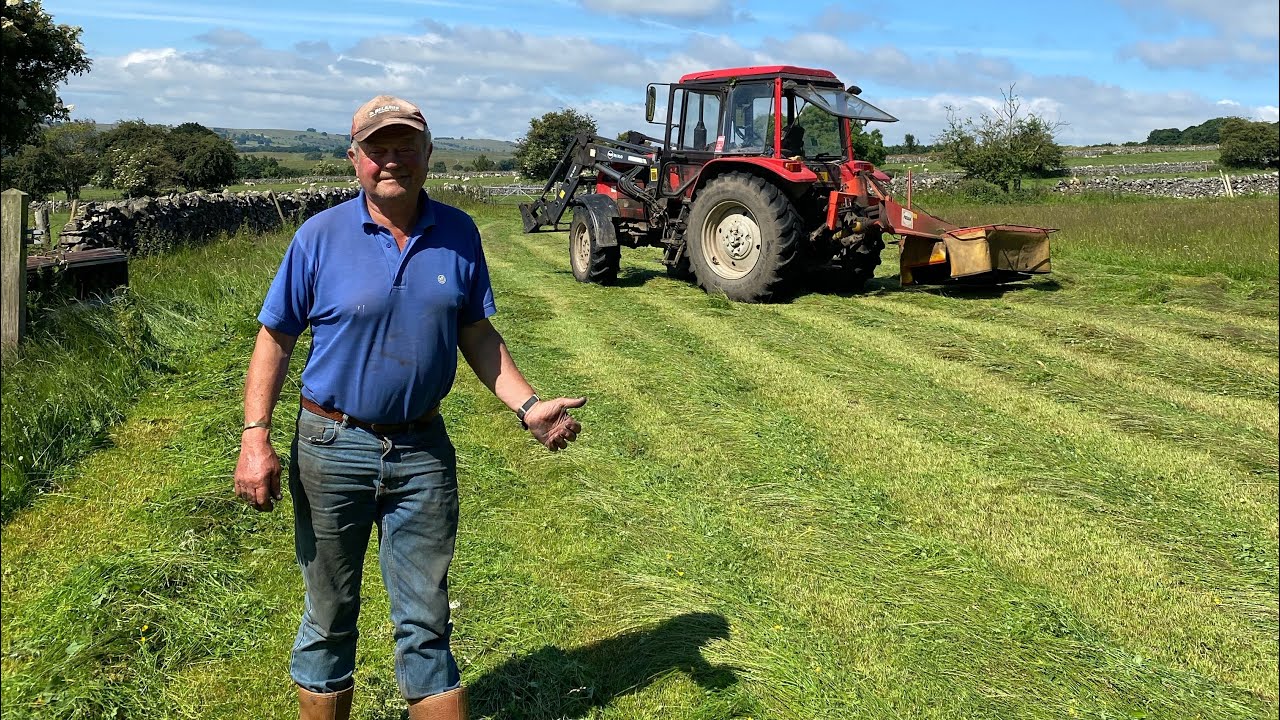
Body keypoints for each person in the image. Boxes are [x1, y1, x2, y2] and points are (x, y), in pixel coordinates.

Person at [233, 94, 586, 720]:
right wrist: (254, 437)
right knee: (330, 613)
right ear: (354, 160)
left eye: (404, 147)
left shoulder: (458, 233)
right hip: (331, 445)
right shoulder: (319, 237)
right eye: (377, 150)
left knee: (426, 621)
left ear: (427, 155)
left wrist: (527, 404)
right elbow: (275, 338)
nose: (390, 161)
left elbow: (474, 332)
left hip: (422, 451)